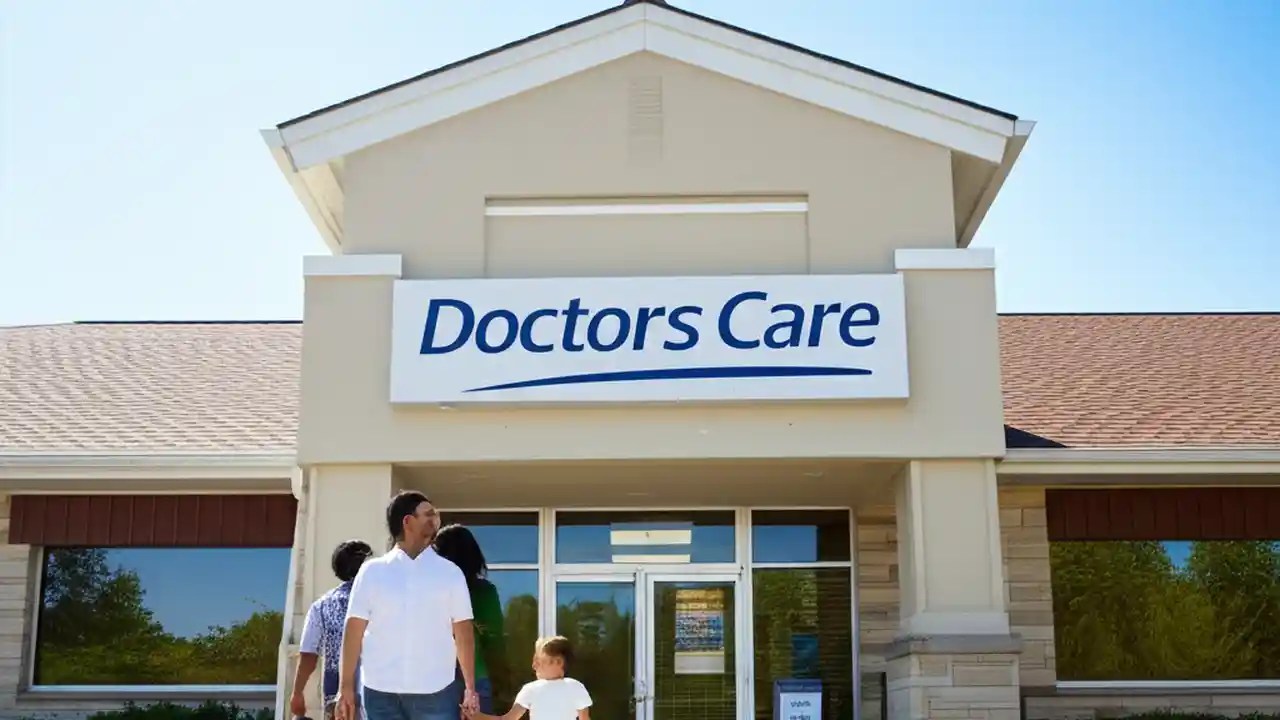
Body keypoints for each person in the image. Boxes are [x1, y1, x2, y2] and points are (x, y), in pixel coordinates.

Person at [336, 491, 480, 720]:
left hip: (436, 691)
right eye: (429, 515)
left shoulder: (450, 573)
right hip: (380, 692)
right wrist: (345, 687)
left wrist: (470, 688)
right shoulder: (372, 572)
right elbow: (353, 631)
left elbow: (463, 634)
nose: (436, 520)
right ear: (407, 521)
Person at [292, 539, 374, 720]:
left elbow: (308, 655)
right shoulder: (379, 600)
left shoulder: (322, 606)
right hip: (378, 692)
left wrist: (297, 692)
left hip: (337, 698)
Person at [433, 524, 510, 714]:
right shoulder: (485, 592)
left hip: (434, 680)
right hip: (476, 678)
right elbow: (494, 641)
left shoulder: (431, 590)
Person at [466, 637, 591, 720]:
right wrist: (478, 716)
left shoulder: (575, 687)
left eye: (539, 661)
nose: (534, 666)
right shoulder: (531, 689)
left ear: (557, 662)